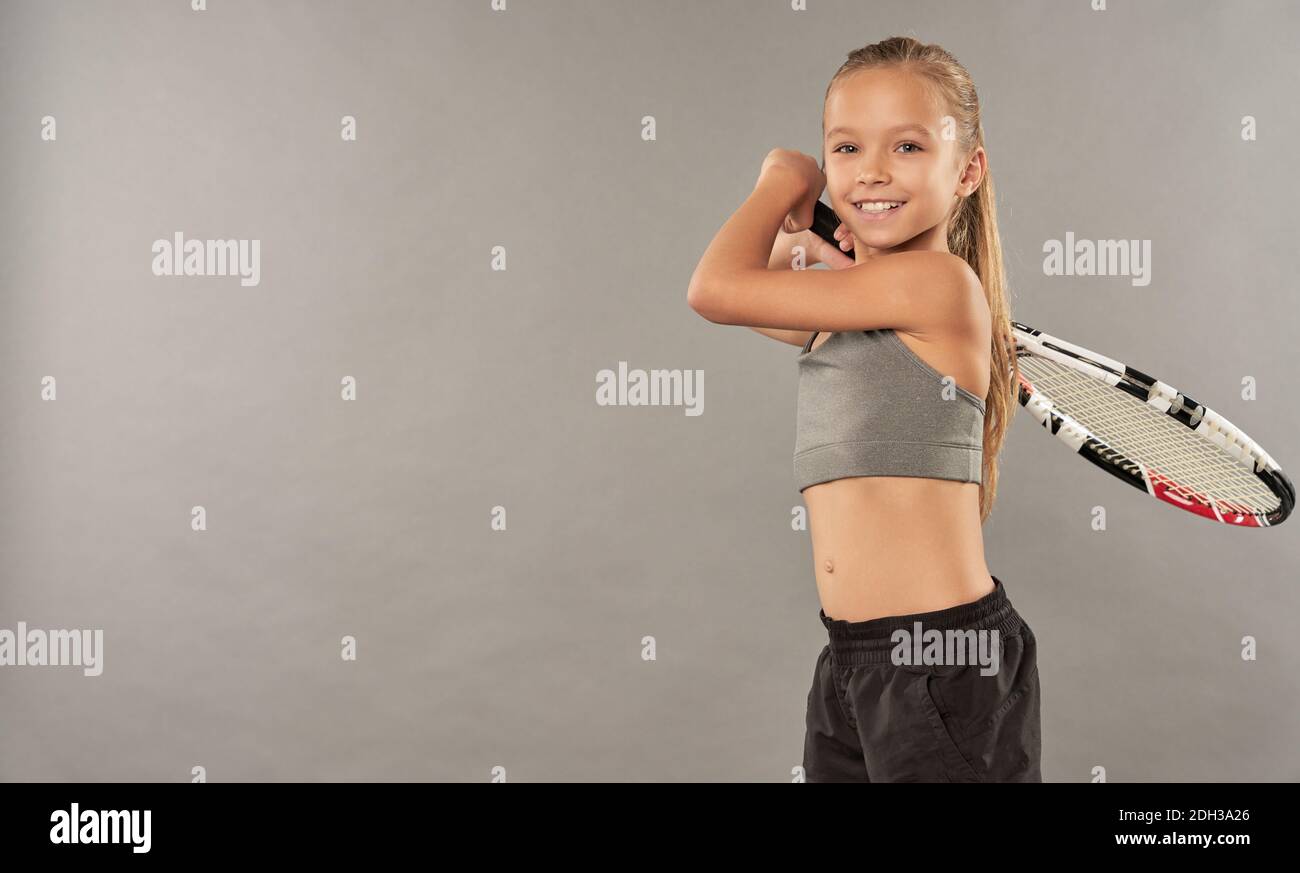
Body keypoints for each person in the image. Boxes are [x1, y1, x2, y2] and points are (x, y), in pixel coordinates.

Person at [687, 36, 1041, 782]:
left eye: (908, 146)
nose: (872, 172)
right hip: (852, 660)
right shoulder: (848, 308)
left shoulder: (937, 285)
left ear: (968, 171)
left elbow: (716, 287)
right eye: (845, 148)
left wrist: (784, 182)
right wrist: (824, 250)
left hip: (936, 659)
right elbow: (758, 285)